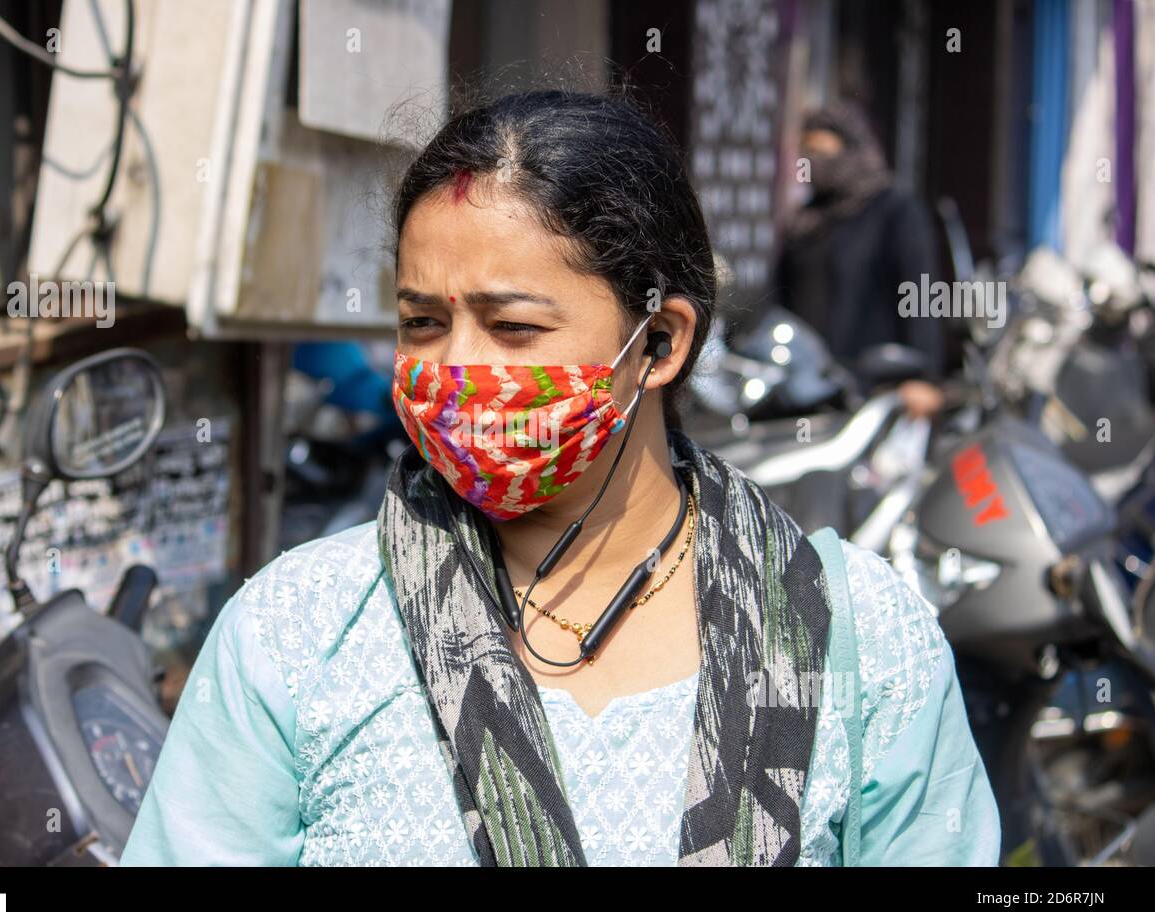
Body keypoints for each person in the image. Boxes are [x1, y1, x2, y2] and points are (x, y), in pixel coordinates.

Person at [121, 89, 999, 866]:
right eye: (422, 323)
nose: (455, 368)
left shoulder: (861, 642)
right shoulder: (298, 634)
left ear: (659, 343)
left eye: (513, 329)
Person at [773, 102, 947, 419]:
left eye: (824, 151)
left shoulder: (894, 211)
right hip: (806, 392)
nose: (813, 161)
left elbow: (921, 295)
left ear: (852, 149)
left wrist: (924, 376)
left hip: (877, 394)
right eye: (806, 151)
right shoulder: (805, 222)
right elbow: (781, 301)